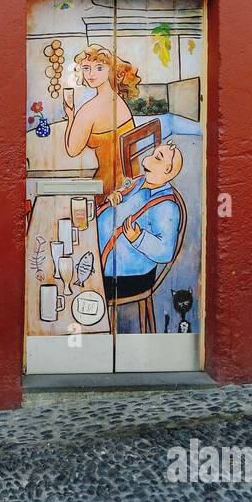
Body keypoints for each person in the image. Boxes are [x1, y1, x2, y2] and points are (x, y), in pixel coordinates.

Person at [98, 142, 184, 315]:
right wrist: (118, 195)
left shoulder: (167, 208)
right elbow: (127, 192)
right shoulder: (142, 181)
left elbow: (166, 252)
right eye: (153, 154)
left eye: (157, 158)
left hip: (128, 277)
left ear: (167, 170)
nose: (148, 159)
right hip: (105, 256)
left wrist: (138, 238)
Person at [63, 43, 138, 196]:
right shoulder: (118, 100)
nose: (91, 74)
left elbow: (71, 150)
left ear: (110, 71)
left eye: (99, 68)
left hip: (108, 189)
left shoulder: (88, 111)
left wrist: (70, 116)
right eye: (86, 68)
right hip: (133, 183)